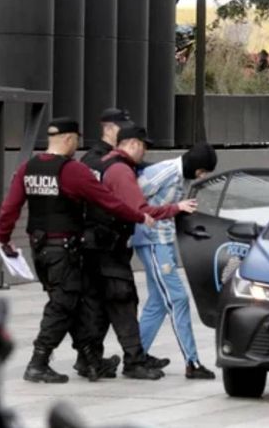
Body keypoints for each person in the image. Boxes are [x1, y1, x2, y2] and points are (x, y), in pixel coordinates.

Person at [0, 117, 154, 383]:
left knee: (74, 305)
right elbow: (108, 201)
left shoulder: (28, 168)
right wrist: (140, 216)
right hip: (64, 250)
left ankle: (92, 361)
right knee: (62, 306)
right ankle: (38, 362)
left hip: (40, 250)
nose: (77, 146)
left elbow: (10, 207)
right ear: (69, 139)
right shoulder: (72, 171)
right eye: (77, 140)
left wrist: (4, 238)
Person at [82, 125, 198, 380]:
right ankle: (134, 361)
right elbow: (139, 209)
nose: (144, 152)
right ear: (133, 144)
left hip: (95, 243)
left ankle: (91, 360)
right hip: (109, 245)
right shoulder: (121, 170)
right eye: (144, 146)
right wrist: (174, 208)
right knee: (123, 301)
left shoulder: (102, 164)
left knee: (99, 306)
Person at [131, 143, 218, 379]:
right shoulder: (165, 172)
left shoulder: (183, 178)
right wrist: (175, 207)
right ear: (195, 165)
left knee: (158, 302)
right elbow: (133, 200)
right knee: (178, 298)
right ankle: (192, 362)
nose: (202, 176)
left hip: (163, 242)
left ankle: (135, 356)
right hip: (152, 241)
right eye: (202, 171)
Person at [73, 107, 132, 379]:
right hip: (101, 240)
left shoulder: (93, 159)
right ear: (108, 128)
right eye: (121, 127)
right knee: (103, 301)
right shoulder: (99, 160)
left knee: (96, 303)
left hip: (100, 240)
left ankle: (90, 358)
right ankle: (91, 358)